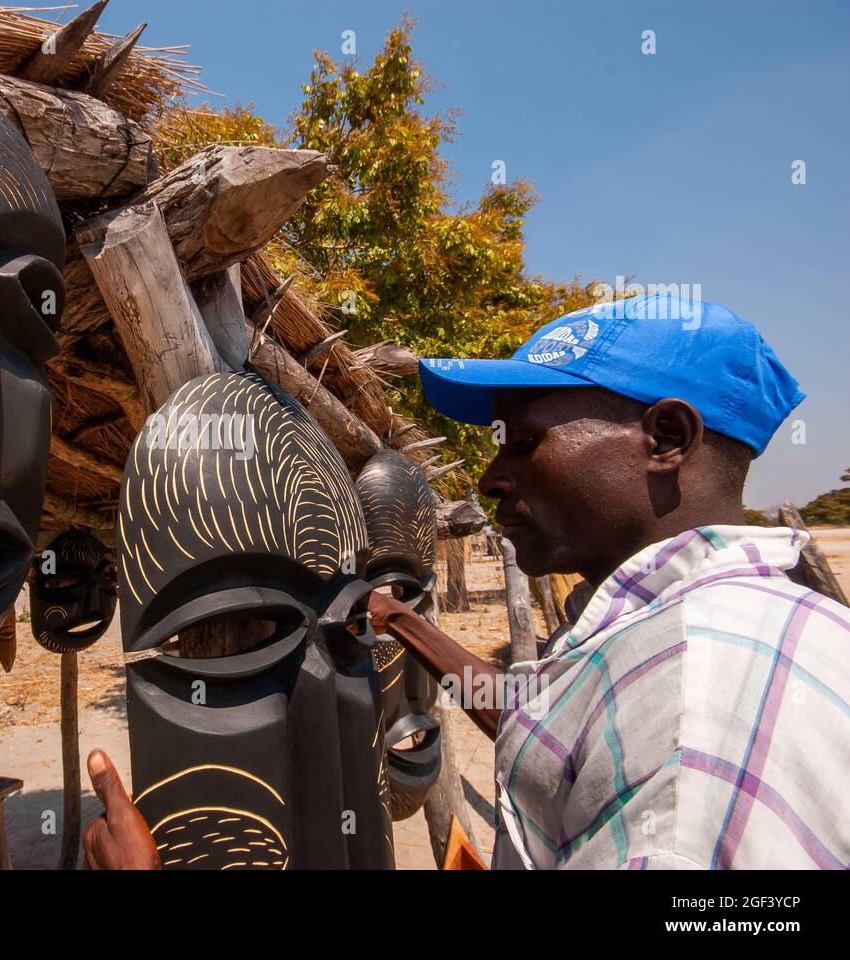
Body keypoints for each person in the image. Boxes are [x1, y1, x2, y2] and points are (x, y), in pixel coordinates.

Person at [83, 293, 850, 870]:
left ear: (666, 439)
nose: (490, 476)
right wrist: (405, 624)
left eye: (524, 442)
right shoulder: (689, 632)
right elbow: (547, 726)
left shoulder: (700, 721)